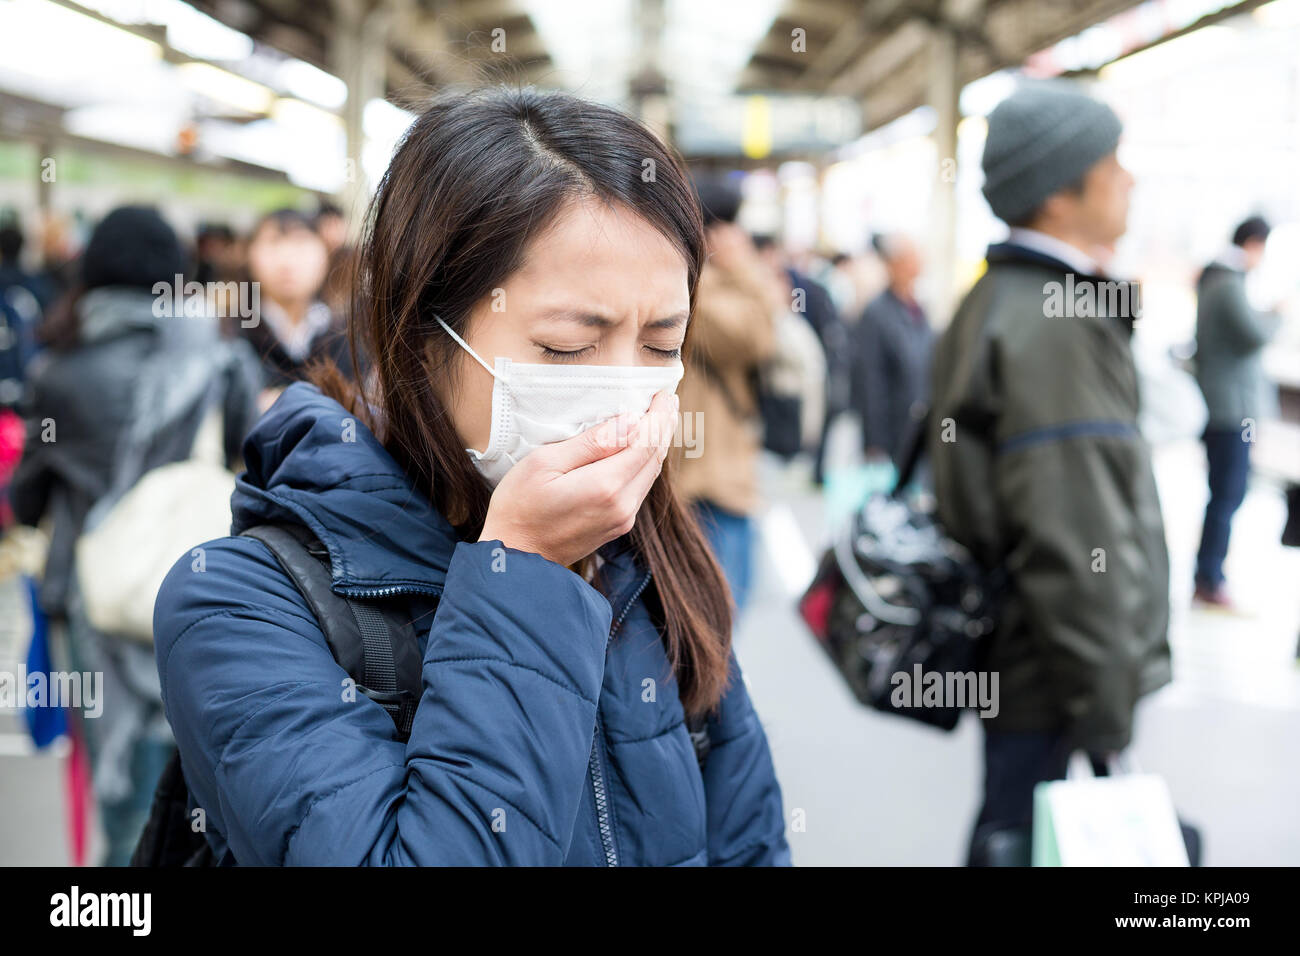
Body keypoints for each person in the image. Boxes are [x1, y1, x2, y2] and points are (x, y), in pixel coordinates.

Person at [151, 87, 791, 866]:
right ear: (423, 333)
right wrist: (522, 568)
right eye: (565, 346)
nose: (624, 393)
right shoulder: (238, 605)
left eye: (661, 344)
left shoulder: (652, 565)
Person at [927, 82, 1171, 865]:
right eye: (1112, 165)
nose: (1127, 180)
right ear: (1062, 193)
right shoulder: (1056, 322)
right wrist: (1106, 709)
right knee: (1022, 841)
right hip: (1053, 669)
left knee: (1009, 826)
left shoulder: (996, 297)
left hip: (1020, 655)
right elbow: (1075, 537)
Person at [10, 205, 258, 866]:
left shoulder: (58, 371)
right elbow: (245, 455)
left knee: (121, 793)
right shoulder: (218, 357)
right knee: (193, 777)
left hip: (94, 600)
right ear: (174, 274)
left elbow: (26, 496)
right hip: (197, 584)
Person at [675, 178, 782, 615]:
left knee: (724, 614)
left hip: (715, 473)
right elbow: (753, 338)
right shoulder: (696, 287)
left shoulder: (708, 284)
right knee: (719, 617)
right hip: (705, 480)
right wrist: (738, 267)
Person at [1192, 216, 1281, 609]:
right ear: (1253, 244)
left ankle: (1209, 576)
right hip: (1234, 412)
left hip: (1228, 409)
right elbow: (1255, 335)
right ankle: (1210, 579)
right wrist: (1276, 313)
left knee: (1227, 492)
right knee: (1228, 492)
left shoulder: (1216, 280)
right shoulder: (1229, 284)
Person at [238, 208, 350, 406]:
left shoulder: (346, 334)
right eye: (273, 243)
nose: (287, 260)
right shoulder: (231, 334)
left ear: (325, 255)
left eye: (300, 243)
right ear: (249, 254)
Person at [851, 233, 934, 468]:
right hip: (892, 429)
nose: (918, 264)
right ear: (893, 265)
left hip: (918, 426)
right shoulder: (876, 313)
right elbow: (870, 380)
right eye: (911, 258)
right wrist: (874, 442)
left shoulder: (918, 309)